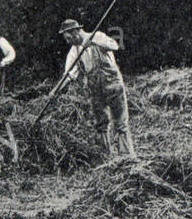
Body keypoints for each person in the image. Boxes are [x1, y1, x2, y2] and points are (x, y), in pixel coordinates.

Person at [55, 18, 136, 158]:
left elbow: (114, 45)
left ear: (75, 32)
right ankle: (105, 156)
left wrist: (93, 41)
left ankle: (126, 157)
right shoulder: (75, 51)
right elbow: (69, 75)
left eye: (68, 38)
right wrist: (55, 90)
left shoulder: (97, 36)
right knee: (101, 124)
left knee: (120, 122)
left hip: (113, 84)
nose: (67, 41)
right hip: (95, 90)